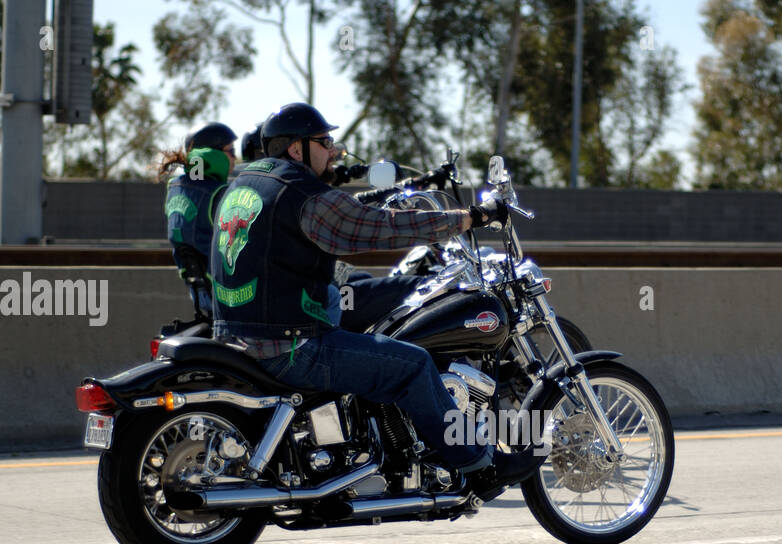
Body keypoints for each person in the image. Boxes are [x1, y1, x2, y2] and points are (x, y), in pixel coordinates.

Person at [209, 102, 536, 494]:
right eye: (325, 141)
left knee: (352, 312)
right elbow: (378, 229)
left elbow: (341, 216)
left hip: (237, 333)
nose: (332, 150)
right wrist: (469, 218)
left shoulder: (246, 184)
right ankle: (479, 467)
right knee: (413, 364)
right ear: (296, 149)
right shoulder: (303, 195)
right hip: (291, 346)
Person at [159, 122, 237, 320]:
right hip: (227, 297)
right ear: (214, 154)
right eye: (231, 151)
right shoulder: (220, 193)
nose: (235, 158)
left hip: (198, 291)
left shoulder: (175, 187)